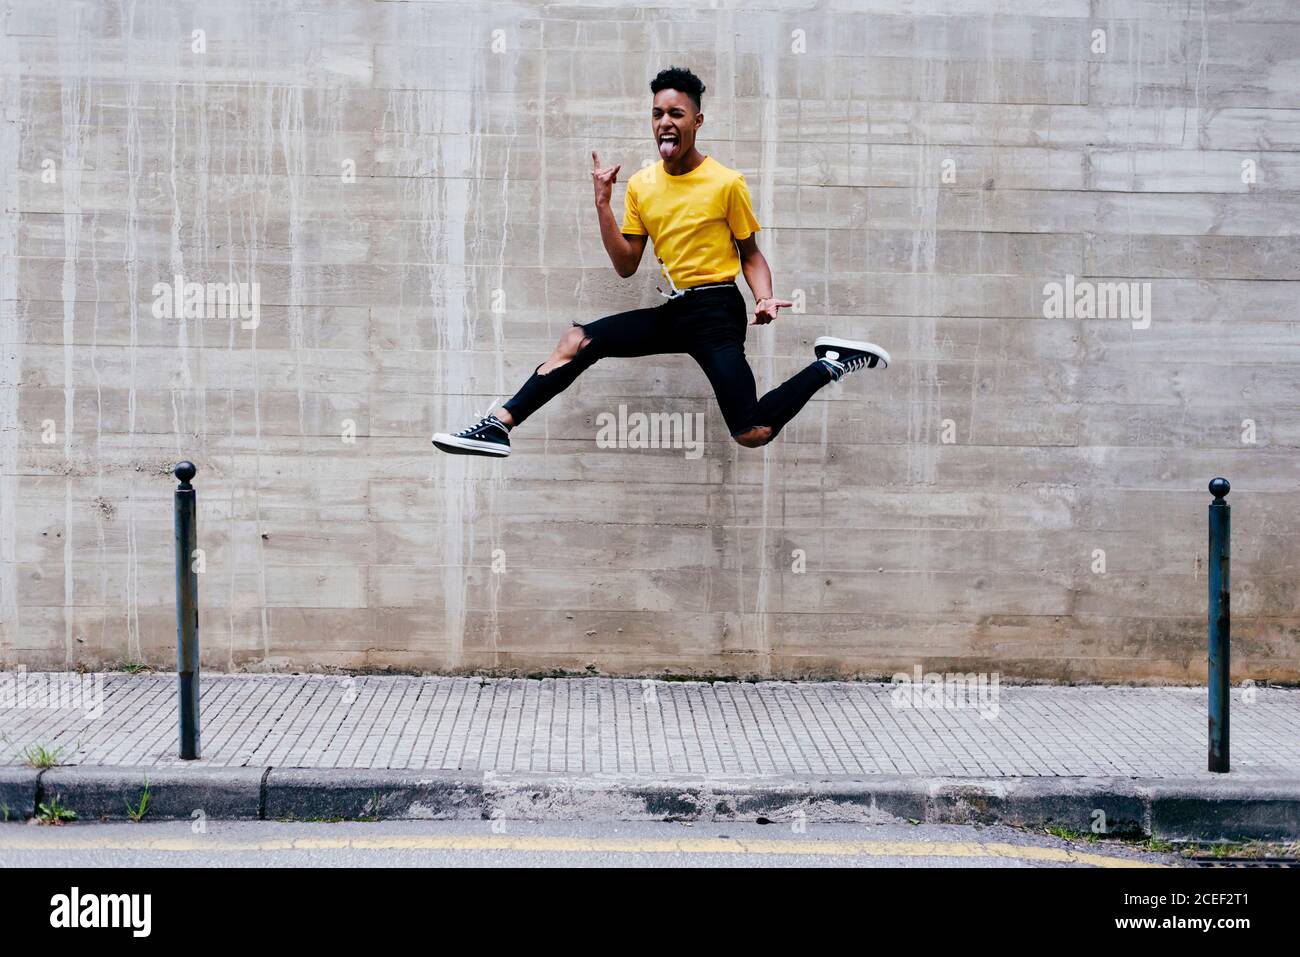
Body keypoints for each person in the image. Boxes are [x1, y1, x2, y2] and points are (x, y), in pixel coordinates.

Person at [433, 65, 888, 458]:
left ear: (697, 120)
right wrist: (602, 204)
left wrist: (764, 297)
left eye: (676, 113)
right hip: (676, 311)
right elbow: (627, 263)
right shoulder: (642, 185)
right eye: (657, 114)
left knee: (752, 432)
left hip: (716, 313)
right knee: (579, 339)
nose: (664, 123)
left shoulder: (726, 183)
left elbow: (750, 254)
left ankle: (830, 362)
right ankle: (499, 424)